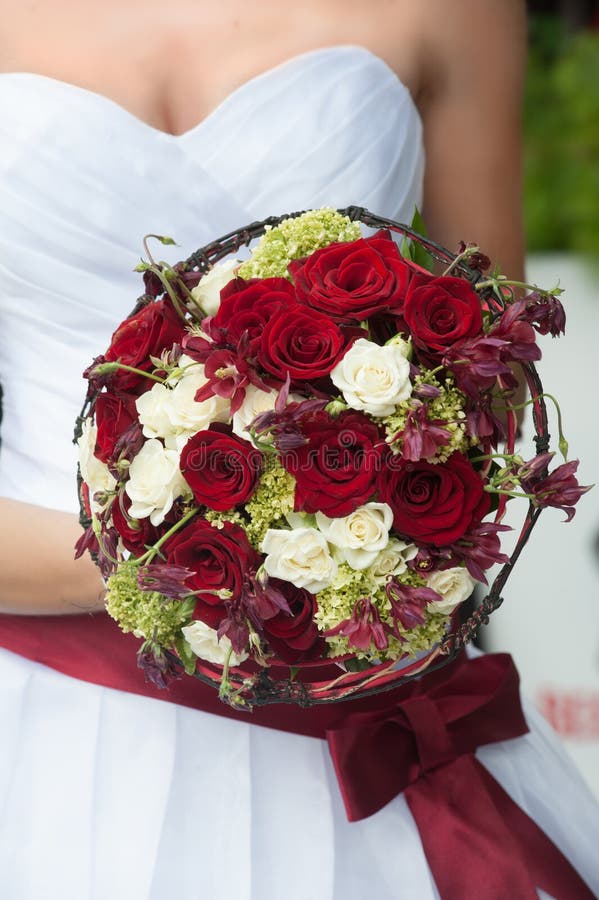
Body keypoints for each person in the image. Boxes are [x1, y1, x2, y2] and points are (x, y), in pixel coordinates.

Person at [0, 1, 597, 897]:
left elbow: (494, 367)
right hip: (43, 705)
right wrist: (207, 560)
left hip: (353, 676)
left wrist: (345, 528)